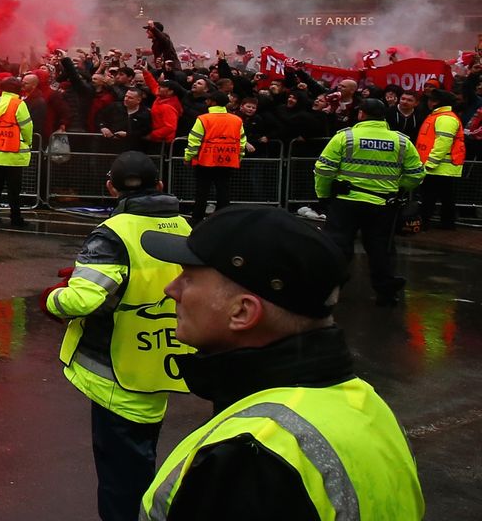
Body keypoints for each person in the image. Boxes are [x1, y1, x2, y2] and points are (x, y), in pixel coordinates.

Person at [138, 208, 424, 520]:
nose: (171, 289)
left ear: (242, 312)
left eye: (189, 278)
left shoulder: (247, 460)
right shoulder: (367, 406)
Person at [40, 151, 194, 521]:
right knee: (141, 463)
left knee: (120, 484)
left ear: (110, 187)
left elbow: (83, 300)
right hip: (161, 358)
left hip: (118, 372)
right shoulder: (185, 228)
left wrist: (52, 299)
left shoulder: (113, 232)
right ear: (160, 185)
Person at [315, 98, 425, 306]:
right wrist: (399, 189)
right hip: (383, 205)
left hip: (346, 202)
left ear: (361, 114)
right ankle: (386, 292)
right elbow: (417, 174)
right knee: (381, 248)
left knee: (338, 246)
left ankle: (328, 290)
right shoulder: (401, 141)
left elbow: (323, 169)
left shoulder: (345, 137)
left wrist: (323, 195)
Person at [184, 89, 252, 224]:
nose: (206, 101)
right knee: (223, 191)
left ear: (213, 102)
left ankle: (197, 219)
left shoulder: (203, 119)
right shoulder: (236, 120)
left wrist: (188, 157)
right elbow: (241, 141)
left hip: (205, 161)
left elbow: (194, 140)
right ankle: (223, 219)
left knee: (202, 191)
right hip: (228, 160)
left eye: (208, 100)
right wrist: (239, 157)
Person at [0, 77, 33, 228]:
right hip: (13, 152)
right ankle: (16, 219)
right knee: (14, 190)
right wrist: (28, 142)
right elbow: (27, 126)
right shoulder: (18, 104)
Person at [416, 87, 466, 230]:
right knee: (444, 197)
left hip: (438, 166)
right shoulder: (442, 116)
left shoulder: (444, 118)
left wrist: (430, 163)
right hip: (441, 166)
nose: (428, 102)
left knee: (430, 197)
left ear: (436, 102)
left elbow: (442, 143)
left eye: (430, 99)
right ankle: (446, 224)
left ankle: (426, 223)